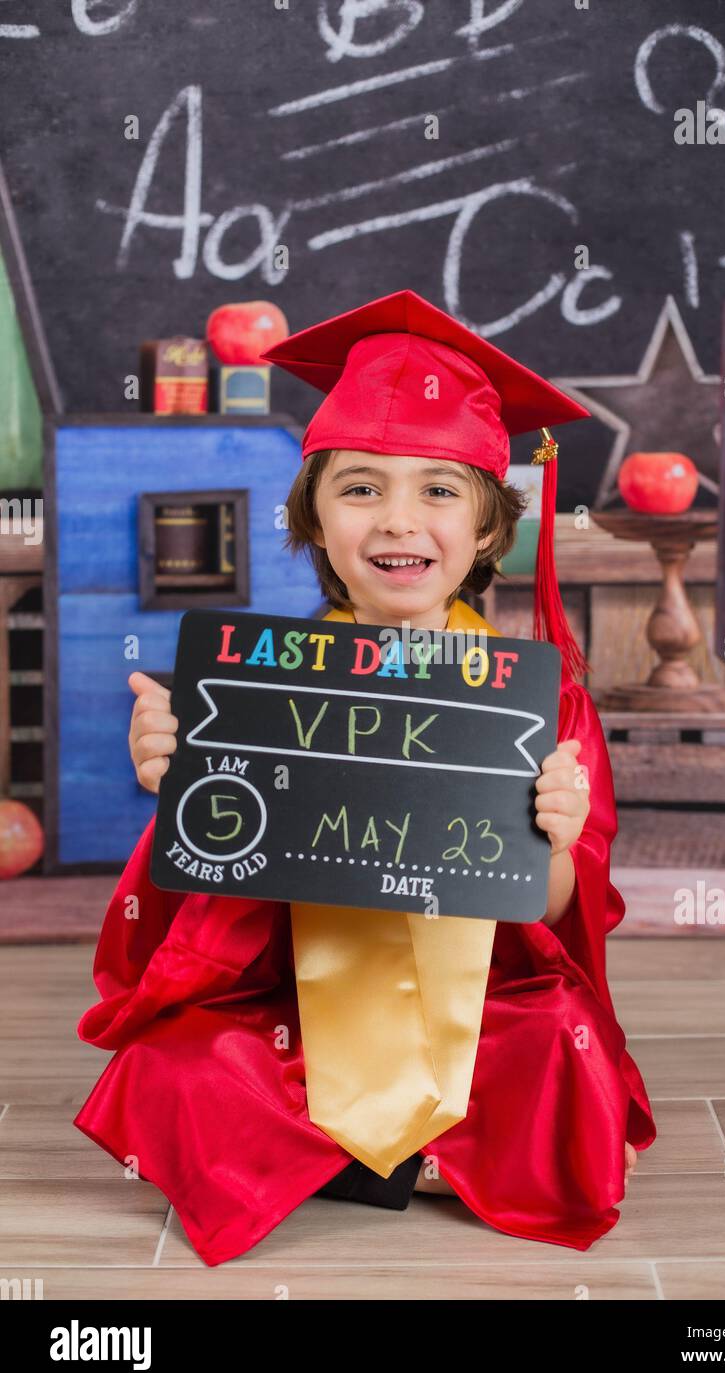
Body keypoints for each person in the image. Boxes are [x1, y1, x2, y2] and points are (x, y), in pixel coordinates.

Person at [74, 289, 655, 1266]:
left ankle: (340, 1159)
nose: (398, 520)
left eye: (437, 489)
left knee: (561, 1044)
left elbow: (557, 910)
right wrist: (176, 785)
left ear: (484, 531)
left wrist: (556, 839)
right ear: (311, 518)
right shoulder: (254, 683)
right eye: (359, 488)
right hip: (295, 1007)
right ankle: (423, 1156)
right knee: (173, 1068)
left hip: (479, 1009)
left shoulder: (539, 699)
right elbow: (209, 892)